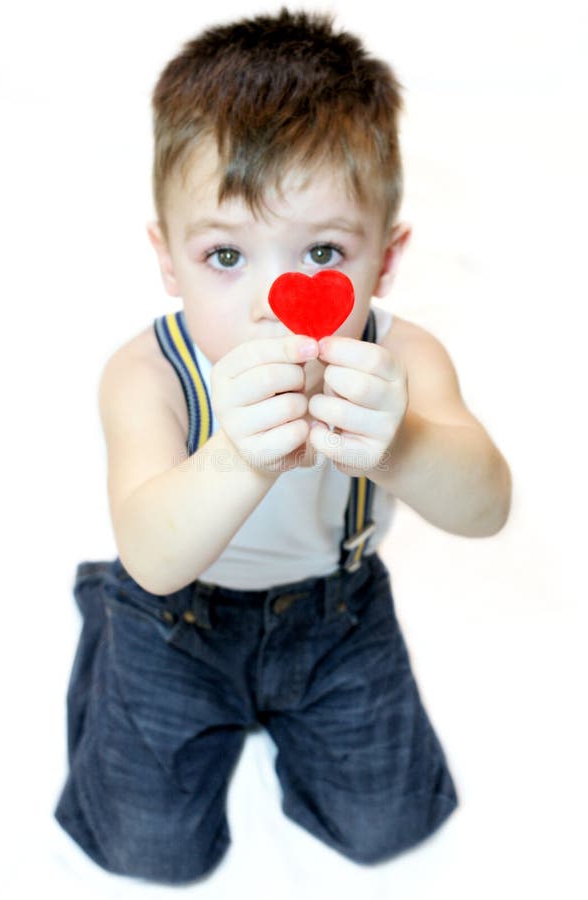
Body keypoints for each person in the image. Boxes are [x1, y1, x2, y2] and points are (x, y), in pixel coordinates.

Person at [54, 7, 512, 886]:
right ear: (167, 259)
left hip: (335, 616)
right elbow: (151, 554)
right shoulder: (147, 372)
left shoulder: (402, 357)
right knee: (150, 854)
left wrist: (403, 443)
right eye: (226, 255)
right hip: (172, 620)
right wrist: (238, 454)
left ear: (385, 260)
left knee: (386, 827)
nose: (274, 299)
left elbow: (488, 506)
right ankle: (100, 634)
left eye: (324, 252)